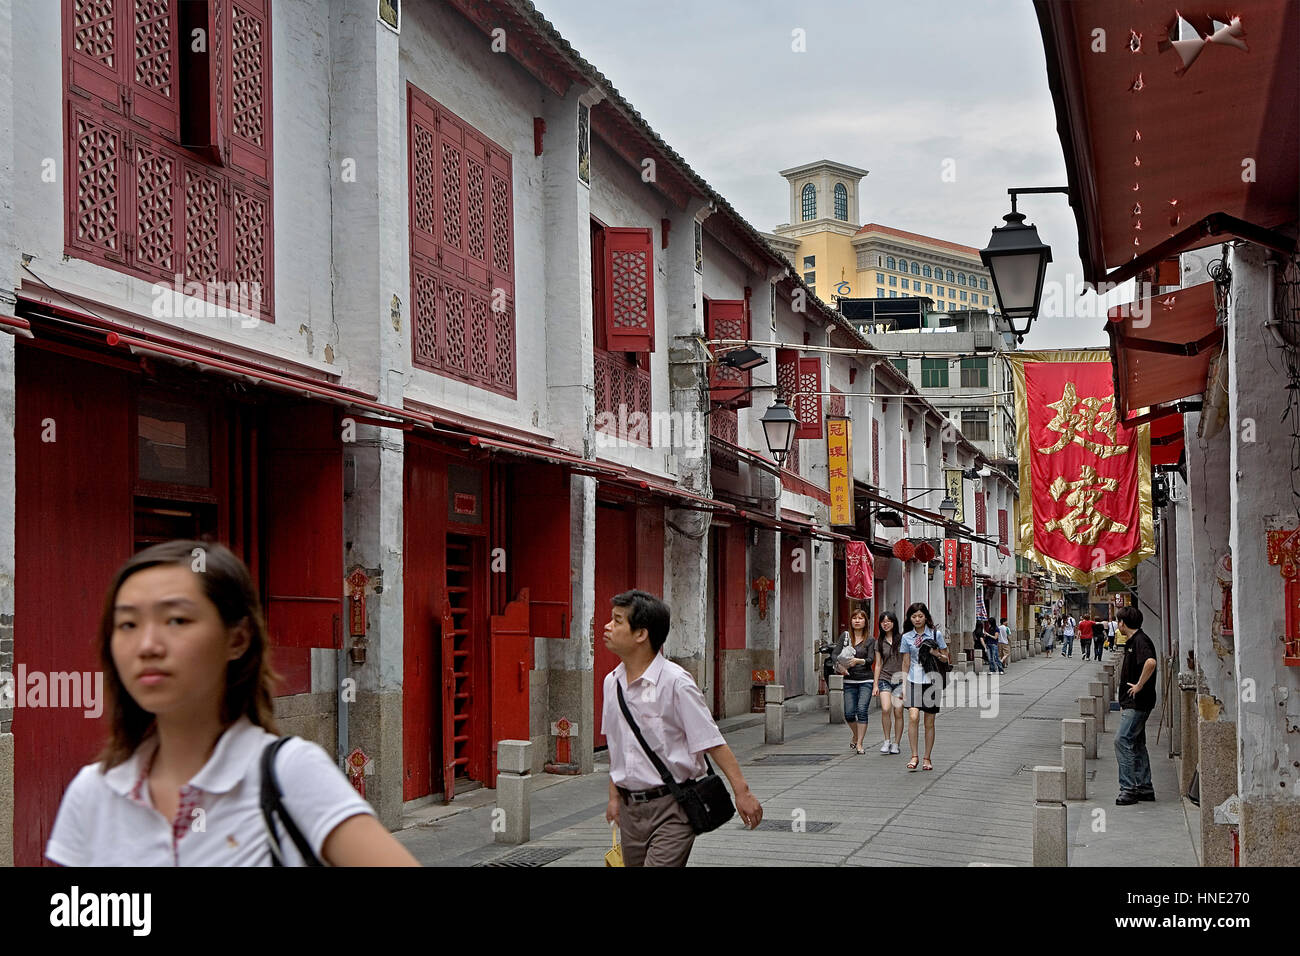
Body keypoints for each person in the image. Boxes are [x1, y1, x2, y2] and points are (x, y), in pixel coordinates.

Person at [46, 541, 420, 866]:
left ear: (237, 639)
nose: (147, 646)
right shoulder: (93, 792)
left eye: (176, 619)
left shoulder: (289, 775)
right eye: (127, 624)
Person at [602, 589, 762, 866]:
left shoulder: (676, 682)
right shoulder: (611, 682)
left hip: (672, 807)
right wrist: (614, 797)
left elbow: (711, 740)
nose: (607, 626)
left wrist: (742, 792)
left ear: (641, 634)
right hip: (630, 812)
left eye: (617, 621)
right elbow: (618, 745)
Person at [1114, 605, 1158, 805]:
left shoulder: (1140, 640)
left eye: (1118, 621)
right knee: (1137, 743)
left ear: (1123, 623)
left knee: (1122, 740)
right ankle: (1144, 786)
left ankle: (1128, 788)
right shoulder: (1134, 641)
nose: (1118, 625)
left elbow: (1151, 662)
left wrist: (1139, 685)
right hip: (1134, 702)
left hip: (1138, 702)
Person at [900, 602, 948, 772]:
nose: (917, 619)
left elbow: (946, 658)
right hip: (913, 680)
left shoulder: (936, 634)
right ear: (910, 619)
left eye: (920, 616)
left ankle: (927, 757)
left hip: (931, 681)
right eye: (914, 616)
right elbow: (906, 663)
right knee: (913, 717)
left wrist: (936, 653)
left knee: (929, 721)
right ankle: (914, 755)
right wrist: (904, 686)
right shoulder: (906, 637)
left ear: (926, 617)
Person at [836, 608, 876, 754]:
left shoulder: (870, 640)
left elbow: (871, 659)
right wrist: (840, 666)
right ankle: (855, 734)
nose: (857, 621)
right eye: (854, 618)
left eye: (860, 618)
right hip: (849, 680)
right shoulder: (845, 638)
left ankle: (859, 743)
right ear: (851, 621)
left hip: (866, 679)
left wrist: (857, 661)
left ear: (865, 622)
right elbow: (836, 656)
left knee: (862, 710)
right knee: (849, 714)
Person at [872, 611, 905, 755]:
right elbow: (878, 664)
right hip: (885, 679)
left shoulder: (902, 639)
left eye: (889, 621)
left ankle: (896, 743)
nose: (886, 624)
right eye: (883, 622)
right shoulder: (878, 642)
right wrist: (875, 684)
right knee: (886, 709)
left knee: (898, 711)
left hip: (900, 680)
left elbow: (906, 662)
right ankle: (886, 740)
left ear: (894, 623)